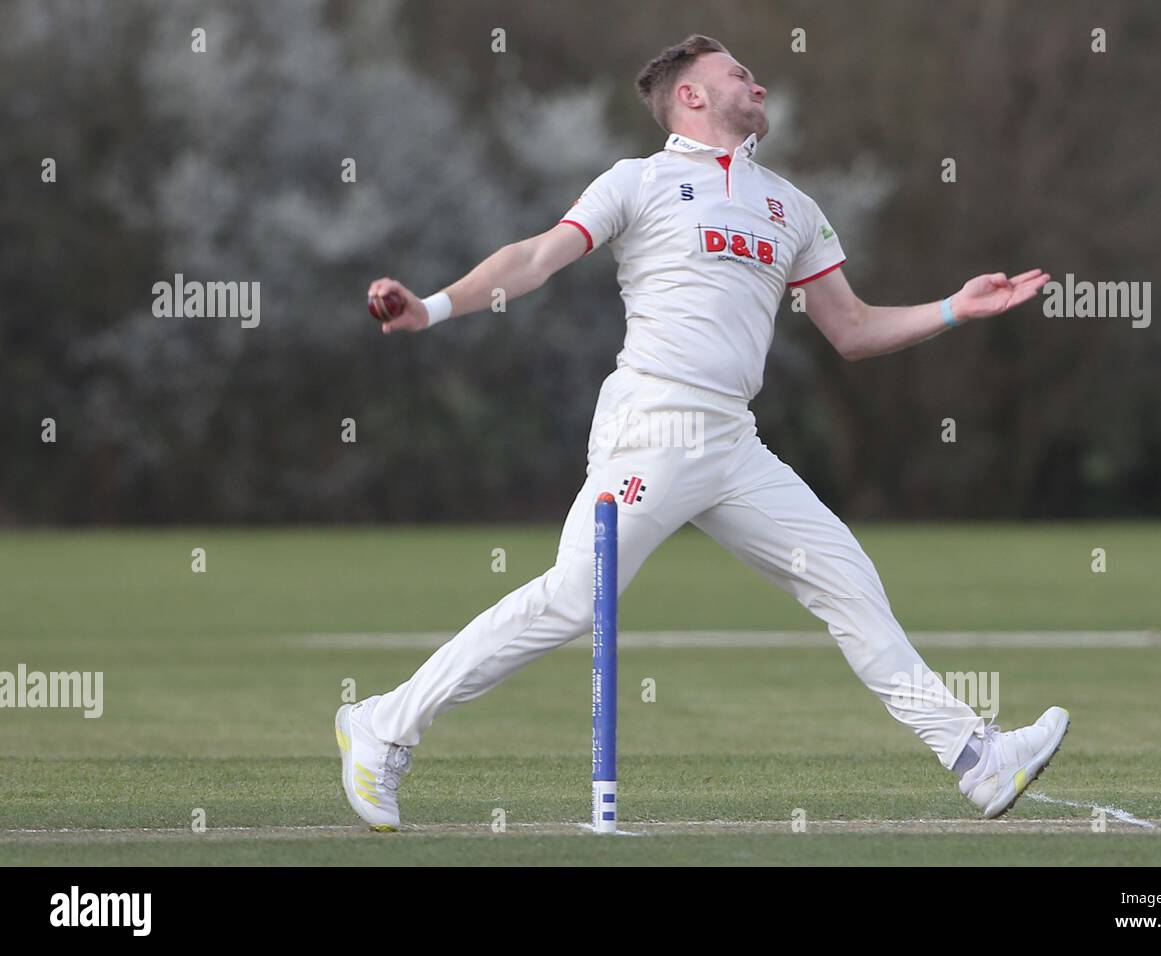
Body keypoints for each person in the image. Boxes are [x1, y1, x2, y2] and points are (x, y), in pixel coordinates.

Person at [338, 34, 1068, 831]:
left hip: (731, 438)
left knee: (846, 578)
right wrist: (433, 308)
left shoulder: (793, 206)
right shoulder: (638, 181)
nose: (757, 84)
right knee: (575, 600)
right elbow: (535, 259)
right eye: (737, 75)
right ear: (689, 96)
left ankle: (975, 757)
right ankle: (382, 725)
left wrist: (957, 307)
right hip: (653, 419)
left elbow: (853, 329)